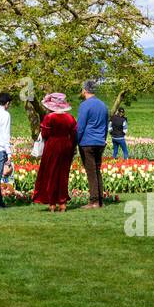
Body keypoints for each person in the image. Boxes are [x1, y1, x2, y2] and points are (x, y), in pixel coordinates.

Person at [34, 92, 78, 212]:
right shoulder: (70, 118)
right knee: (63, 174)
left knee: (51, 173)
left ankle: (52, 203)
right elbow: (74, 135)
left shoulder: (49, 118)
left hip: (52, 146)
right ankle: (62, 203)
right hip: (66, 146)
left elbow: (45, 134)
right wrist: (72, 147)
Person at [76, 80, 108, 208]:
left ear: (85, 90)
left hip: (87, 142)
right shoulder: (103, 105)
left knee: (91, 172)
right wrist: (103, 139)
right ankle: (100, 200)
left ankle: (94, 200)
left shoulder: (85, 105)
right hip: (100, 142)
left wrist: (76, 141)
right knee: (97, 170)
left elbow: (80, 127)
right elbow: (106, 126)